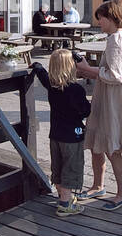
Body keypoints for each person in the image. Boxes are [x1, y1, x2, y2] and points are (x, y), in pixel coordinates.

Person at [82, 0, 122, 205]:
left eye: (101, 19)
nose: (99, 22)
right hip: (111, 97)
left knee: (110, 146)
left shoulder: (115, 39)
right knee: (99, 142)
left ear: (111, 18)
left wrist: (85, 69)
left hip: (113, 100)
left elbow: (115, 75)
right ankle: (98, 185)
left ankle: (121, 193)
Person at [37, 48, 92, 215]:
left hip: (55, 135)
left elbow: (43, 76)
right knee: (71, 168)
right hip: (72, 136)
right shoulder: (76, 89)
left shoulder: (52, 86)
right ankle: (65, 203)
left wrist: (38, 67)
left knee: (58, 167)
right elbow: (85, 111)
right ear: (70, 67)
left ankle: (62, 195)